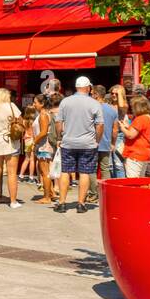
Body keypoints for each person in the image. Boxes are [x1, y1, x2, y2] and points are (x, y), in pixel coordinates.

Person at [55, 76, 104, 214]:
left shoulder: (65, 101)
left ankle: (62, 202)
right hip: (88, 143)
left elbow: (59, 122)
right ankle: (81, 204)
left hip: (68, 142)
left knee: (65, 171)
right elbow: (100, 125)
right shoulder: (94, 103)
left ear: (77, 87)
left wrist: (59, 137)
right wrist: (97, 140)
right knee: (85, 172)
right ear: (88, 87)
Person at [88, 85, 120, 201]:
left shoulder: (91, 108)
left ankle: (93, 193)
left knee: (91, 169)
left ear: (96, 94)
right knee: (105, 168)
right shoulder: (112, 110)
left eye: (92, 94)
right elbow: (115, 129)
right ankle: (106, 194)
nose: (90, 95)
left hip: (92, 142)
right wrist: (113, 143)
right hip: (106, 143)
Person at [120, 96, 150, 177]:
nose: (132, 109)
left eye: (133, 107)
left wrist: (122, 128)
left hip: (135, 153)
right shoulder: (148, 117)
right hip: (144, 153)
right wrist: (128, 127)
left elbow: (130, 135)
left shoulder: (140, 119)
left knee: (133, 181)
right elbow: (140, 132)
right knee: (140, 180)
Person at [33, 96, 56, 205]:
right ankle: (50, 193)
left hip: (44, 146)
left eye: (35, 102)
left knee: (45, 171)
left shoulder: (43, 115)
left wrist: (34, 141)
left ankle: (47, 197)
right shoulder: (46, 114)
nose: (34, 104)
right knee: (44, 171)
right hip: (44, 146)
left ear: (42, 104)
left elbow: (43, 132)